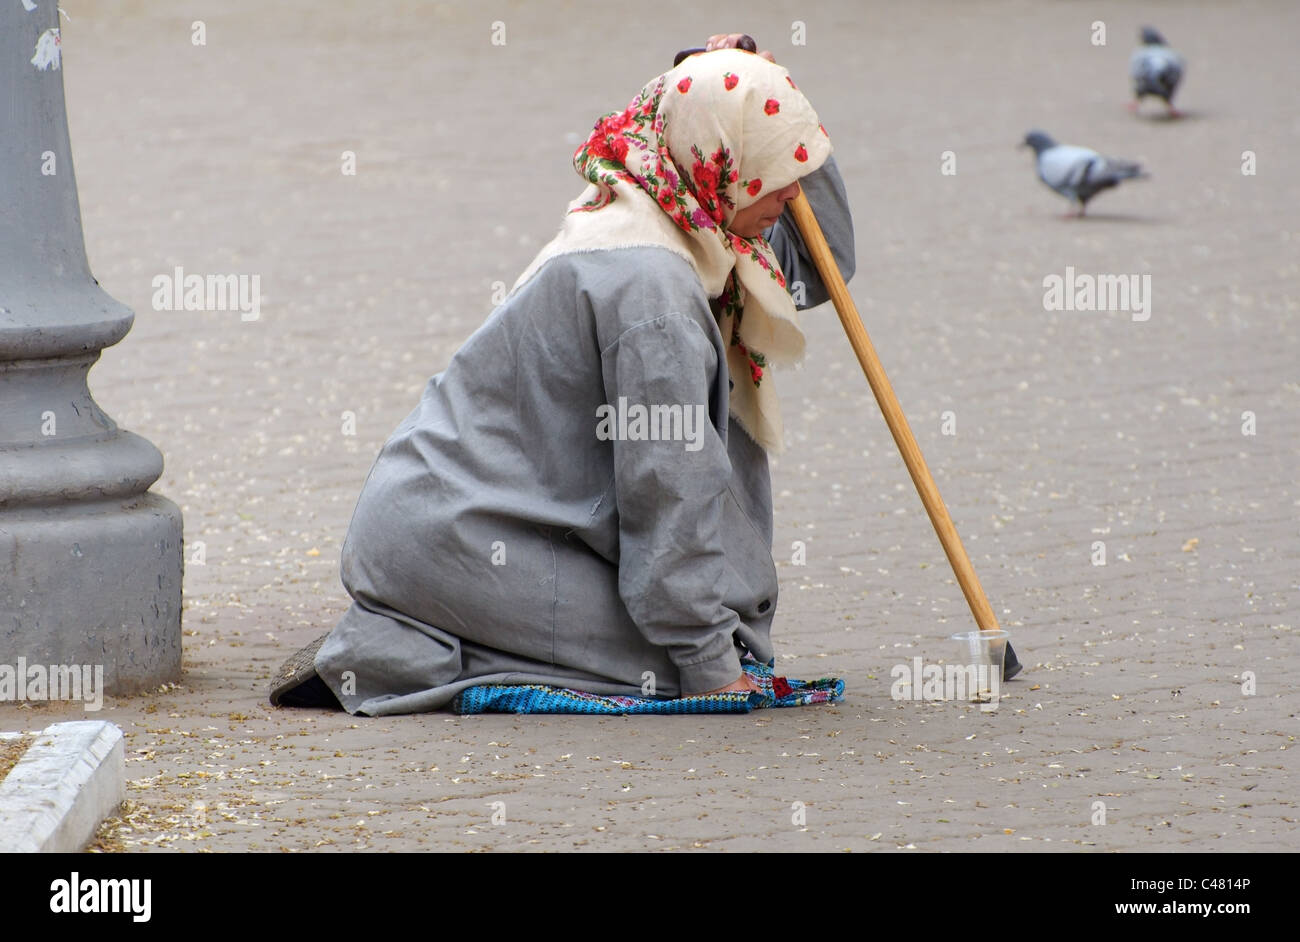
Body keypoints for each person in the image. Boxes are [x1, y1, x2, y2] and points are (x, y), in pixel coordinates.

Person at [271, 35, 858, 714]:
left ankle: (444, 627)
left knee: (703, 629)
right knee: (673, 664)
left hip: (472, 519)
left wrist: (774, 96)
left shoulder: (680, 211)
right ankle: (391, 646)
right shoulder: (654, 290)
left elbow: (821, 262)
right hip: (454, 533)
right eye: (776, 164)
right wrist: (709, 668)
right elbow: (665, 486)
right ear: (720, 161)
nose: (790, 189)